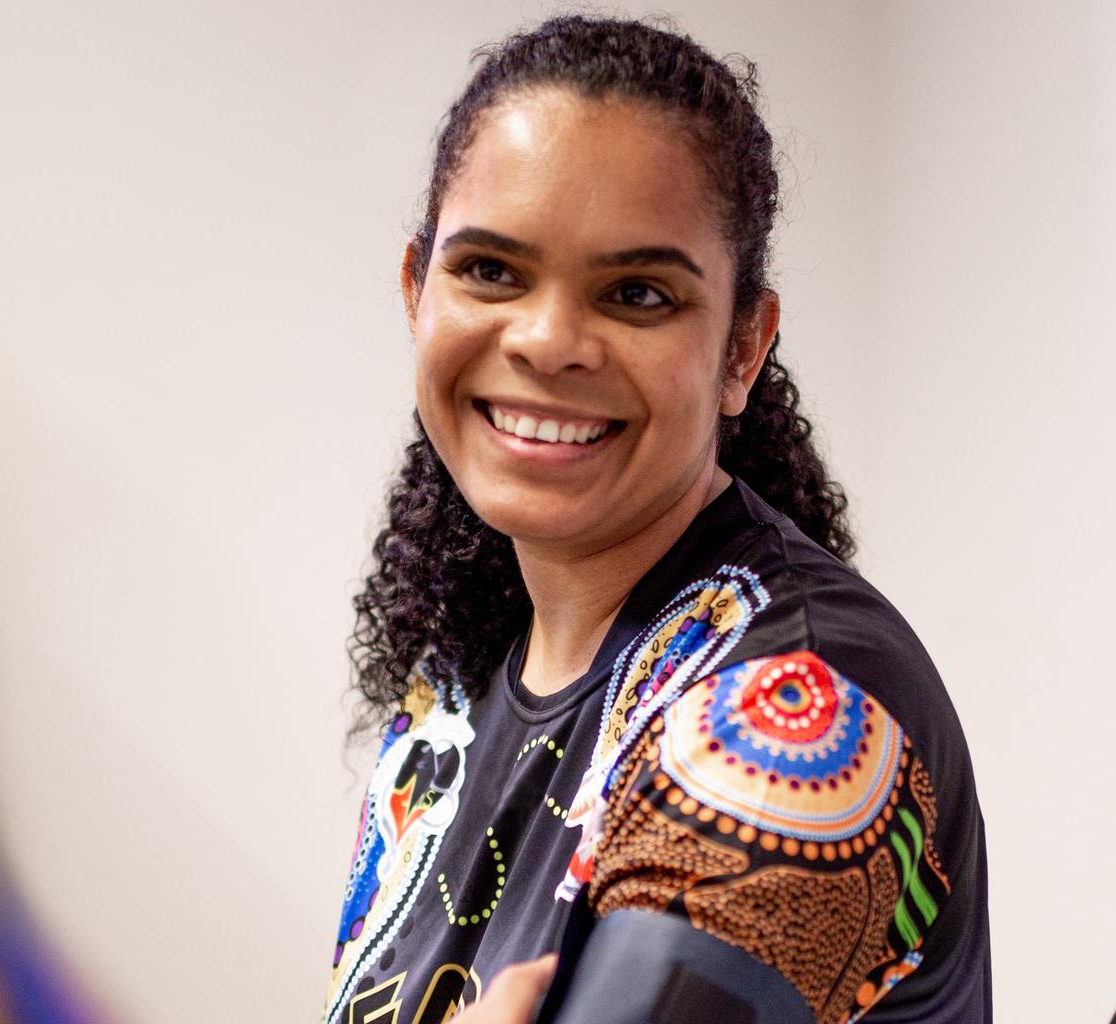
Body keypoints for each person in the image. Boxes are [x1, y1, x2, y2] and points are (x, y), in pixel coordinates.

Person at [329, 15, 991, 1024]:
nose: (549, 341)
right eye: (492, 272)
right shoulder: (460, 672)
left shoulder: (792, 715)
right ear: (418, 289)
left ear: (741, 348)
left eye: (636, 292)